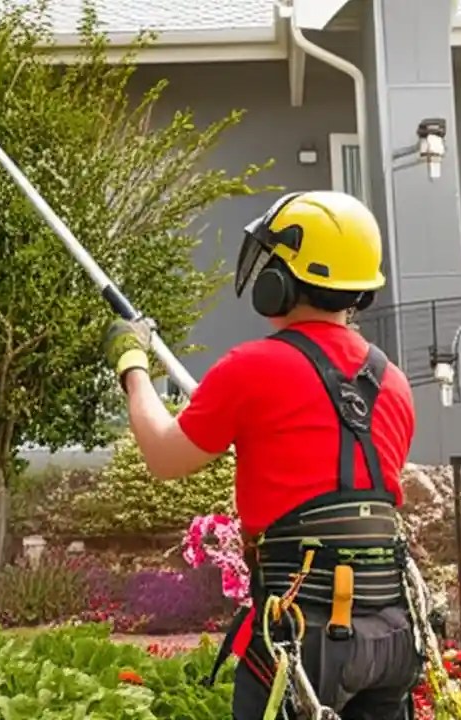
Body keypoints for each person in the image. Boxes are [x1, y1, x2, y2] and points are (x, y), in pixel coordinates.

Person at [101, 190, 425, 719]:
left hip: (306, 641)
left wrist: (133, 364)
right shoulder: (394, 383)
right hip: (391, 636)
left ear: (284, 282)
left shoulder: (251, 368)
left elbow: (163, 455)